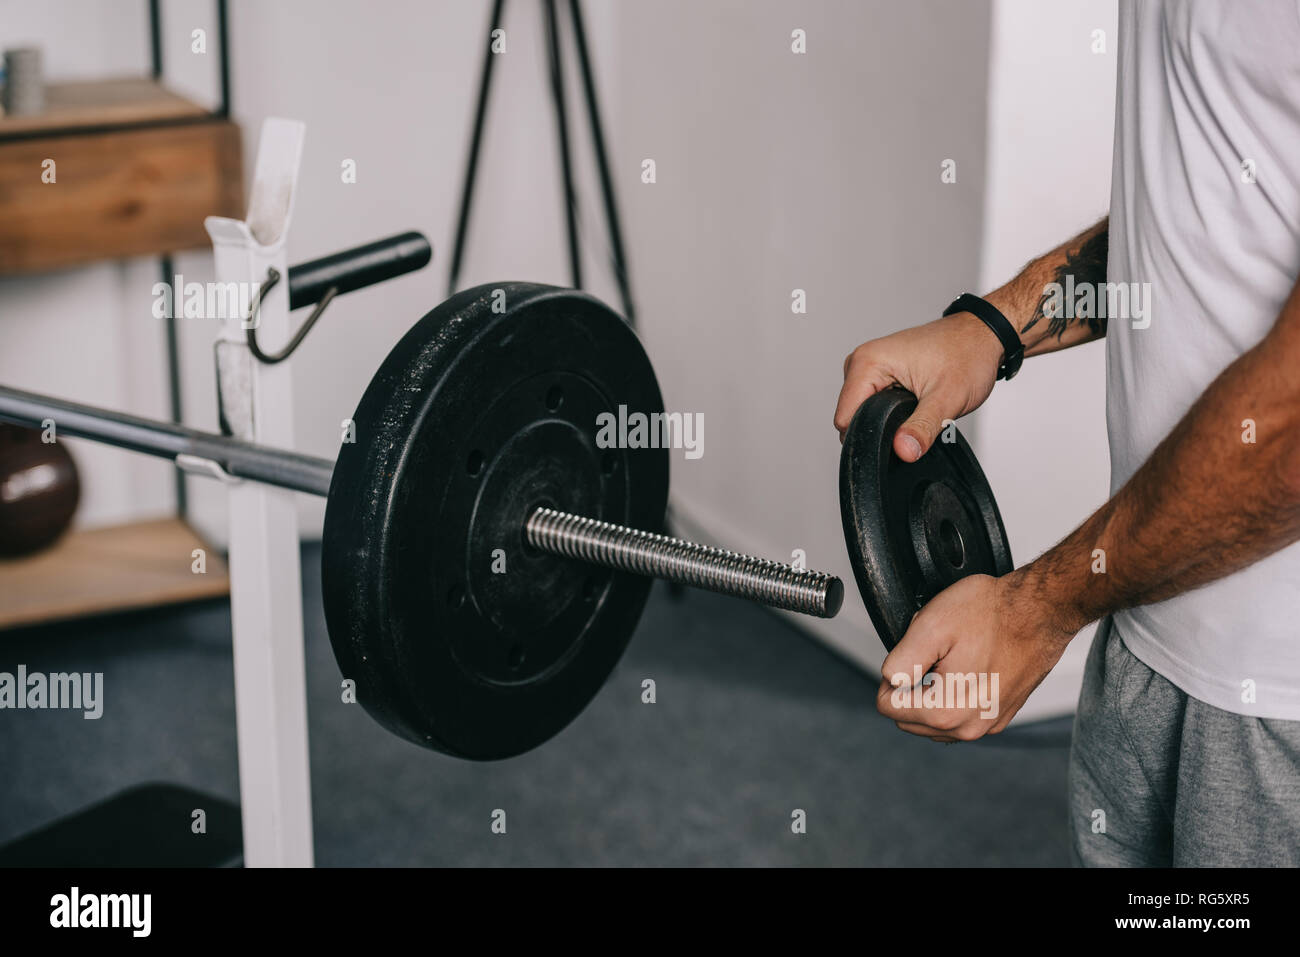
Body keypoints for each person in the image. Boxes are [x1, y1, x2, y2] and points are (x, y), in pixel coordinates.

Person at [833, 0, 1300, 867]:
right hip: (1145, 620)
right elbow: (1225, 209)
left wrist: (1040, 607)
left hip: (1279, 701)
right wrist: (997, 326)